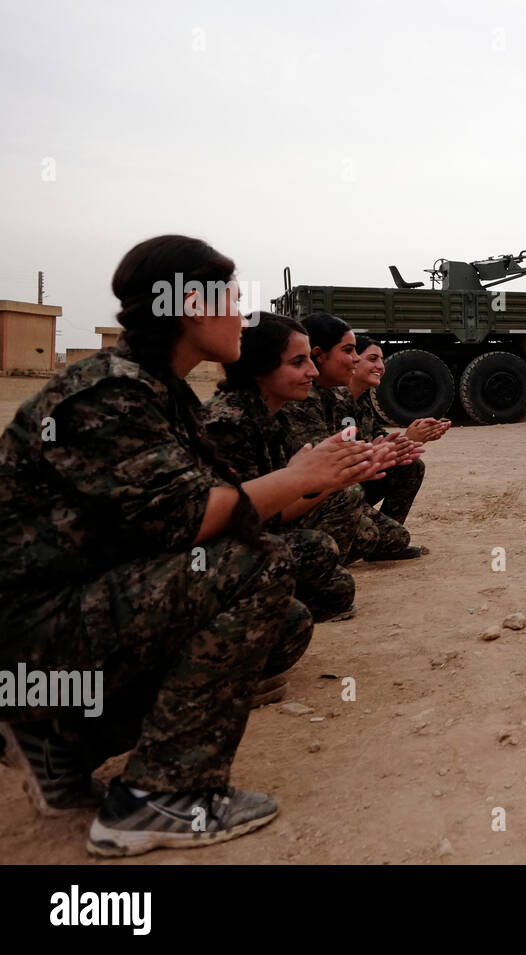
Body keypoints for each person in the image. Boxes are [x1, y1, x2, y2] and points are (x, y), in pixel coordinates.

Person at [0, 235, 376, 855]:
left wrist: (313, 477)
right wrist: (299, 478)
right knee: (256, 568)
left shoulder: (156, 389)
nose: (239, 312)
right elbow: (190, 518)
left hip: (56, 614)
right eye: (230, 296)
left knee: (277, 620)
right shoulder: (109, 392)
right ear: (191, 306)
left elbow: (201, 513)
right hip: (30, 624)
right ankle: (163, 797)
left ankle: (61, 744)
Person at [203, 313, 365, 627]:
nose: (312, 371)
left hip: (251, 533)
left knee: (337, 586)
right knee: (315, 556)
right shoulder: (229, 423)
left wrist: (334, 477)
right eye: (298, 362)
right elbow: (245, 515)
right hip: (213, 553)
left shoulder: (267, 414)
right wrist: (325, 480)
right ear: (260, 367)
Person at [279, 314, 423, 561]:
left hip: (339, 485)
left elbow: (369, 443)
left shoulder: (340, 399)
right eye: (349, 351)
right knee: (367, 529)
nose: (355, 359)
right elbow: (324, 467)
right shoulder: (303, 401)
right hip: (312, 495)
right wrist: (370, 456)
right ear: (320, 355)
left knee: (408, 469)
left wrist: (394, 446)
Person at [347, 336, 447, 525]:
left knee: (411, 465)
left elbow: (380, 438)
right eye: (372, 359)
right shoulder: (336, 401)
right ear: (352, 359)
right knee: (392, 538)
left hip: (360, 481)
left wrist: (414, 437)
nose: (381, 366)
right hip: (338, 490)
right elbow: (345, 457)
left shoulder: (361, 401)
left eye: (381, 360)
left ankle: (389, 531)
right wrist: (405, 440)